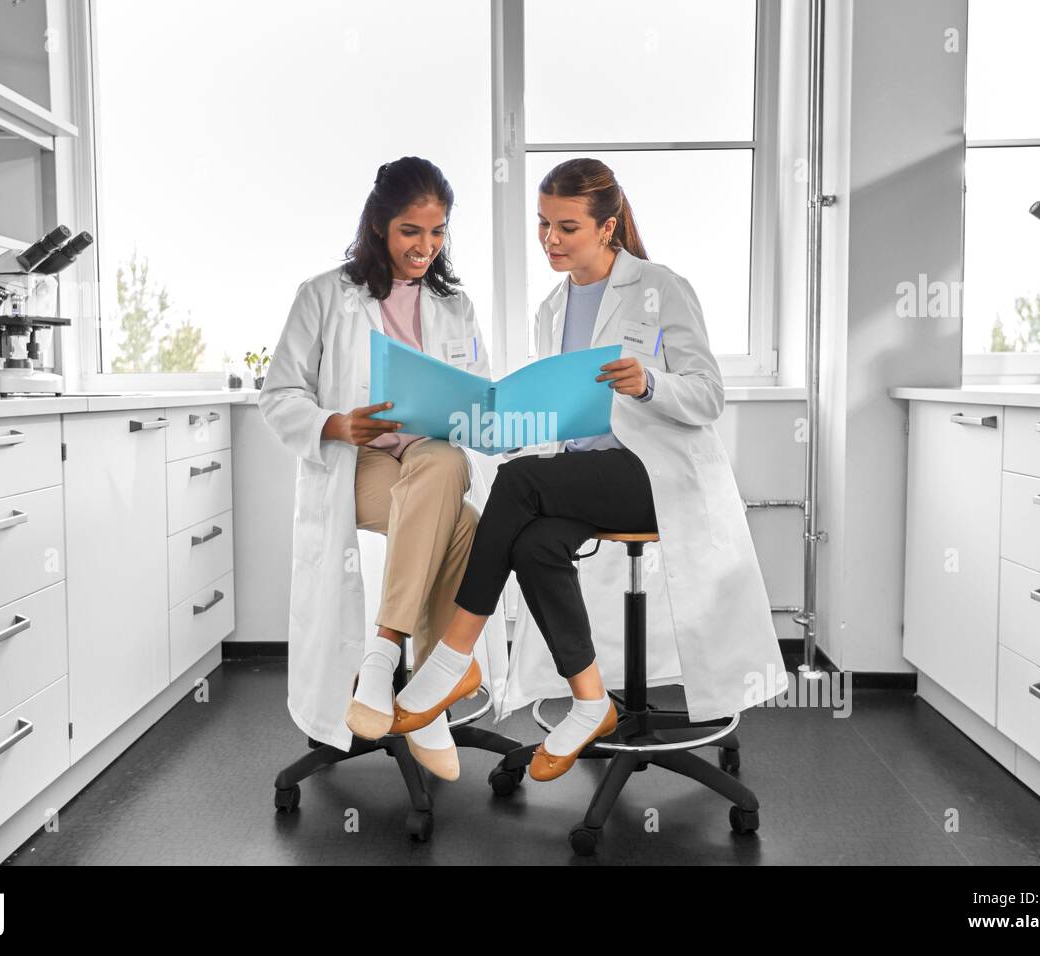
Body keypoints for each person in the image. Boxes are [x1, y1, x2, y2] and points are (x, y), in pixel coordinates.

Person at [388, 158, 786, 781]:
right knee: (535, 542)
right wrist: (498, 426)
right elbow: (560, 414)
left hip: (656, 477)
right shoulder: (552, 309)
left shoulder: (660, 286)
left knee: (520, 488)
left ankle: (454, 655)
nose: (550, 238)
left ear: (607, 226)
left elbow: (708, 395)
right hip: (584, 473)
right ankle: (591, 700)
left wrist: (650, 383)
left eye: (566, 226)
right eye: (543, 224)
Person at [258, 156, 503, 781]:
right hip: (357, 461)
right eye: (410, 232)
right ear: (378, 226)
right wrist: (334, 425)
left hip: (432, 455)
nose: (425, 247)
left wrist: (478, 414)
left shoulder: (457, 306)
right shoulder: (322, 295)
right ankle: (427, 690)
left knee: (446, 467)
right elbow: (280, 393)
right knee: (464, 524)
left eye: (437, 232)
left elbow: (482, 394)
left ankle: (392, 664)